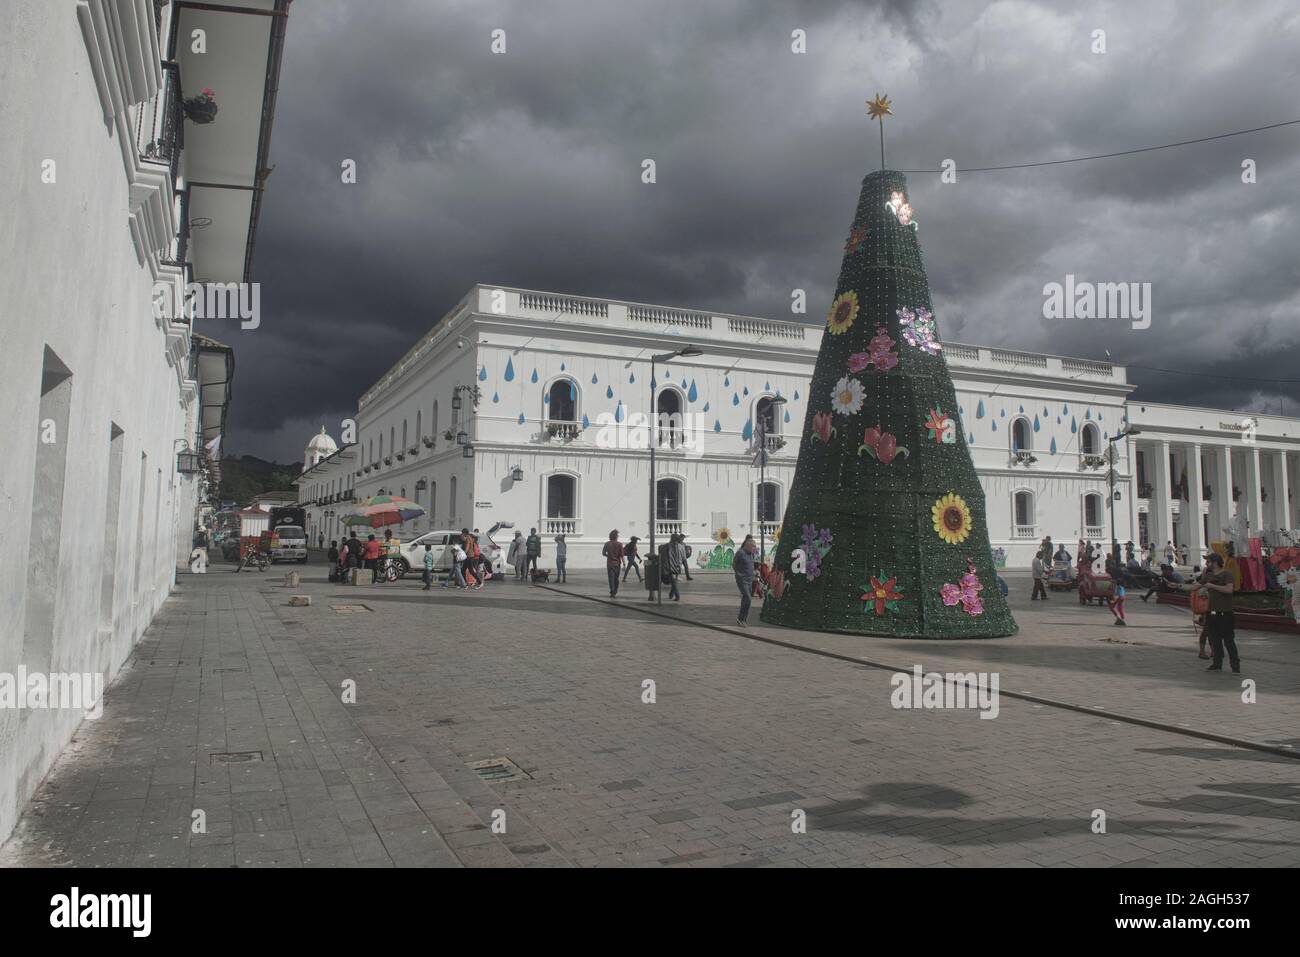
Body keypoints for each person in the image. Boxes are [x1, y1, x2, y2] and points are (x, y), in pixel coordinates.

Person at [1174, 553, 1239, 673]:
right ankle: (1217, 664)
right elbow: (1194, 587)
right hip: (1211, 612)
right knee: (1215, 640)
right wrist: (1177, 585)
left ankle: (1235, 666)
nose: (1206, 563)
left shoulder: (1227, 574)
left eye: (1208, 561)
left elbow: (1229, 589)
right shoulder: (1208, 575)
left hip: (1225, 613)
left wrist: (1212, 586)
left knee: (1229, 640)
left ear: (1215, 562)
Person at [733, 534, 758, 627]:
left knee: (747, 599)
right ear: (748, 545)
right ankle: (741, 618)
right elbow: (734, 564)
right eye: (753, 547)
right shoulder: (740, 553)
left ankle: (743, 619)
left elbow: (751, 565)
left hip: (750, 579)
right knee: (747, 597)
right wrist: (739, 574)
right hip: (742, 579)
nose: (754, 549)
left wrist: (754, 573)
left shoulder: (751, 553)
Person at [602, 530, 624, 597]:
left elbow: (603, 553)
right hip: (617, 564)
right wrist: (624, 564)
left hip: (610, 563)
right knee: (616, 578)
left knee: (611, 578)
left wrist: (608, 556)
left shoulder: (607, 544)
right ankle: (615, 590)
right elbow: (622, 555)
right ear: (616, 536)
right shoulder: (620, 544)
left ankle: (612, 590)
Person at [660, 535, 682, 601]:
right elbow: (681, 557)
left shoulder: (666, 547)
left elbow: (667, 558)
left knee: (673, 581)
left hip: (671, 566)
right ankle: (671, 594)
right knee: (674, 581)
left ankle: (677, 596)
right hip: (676, 566)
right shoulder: (679, 546)